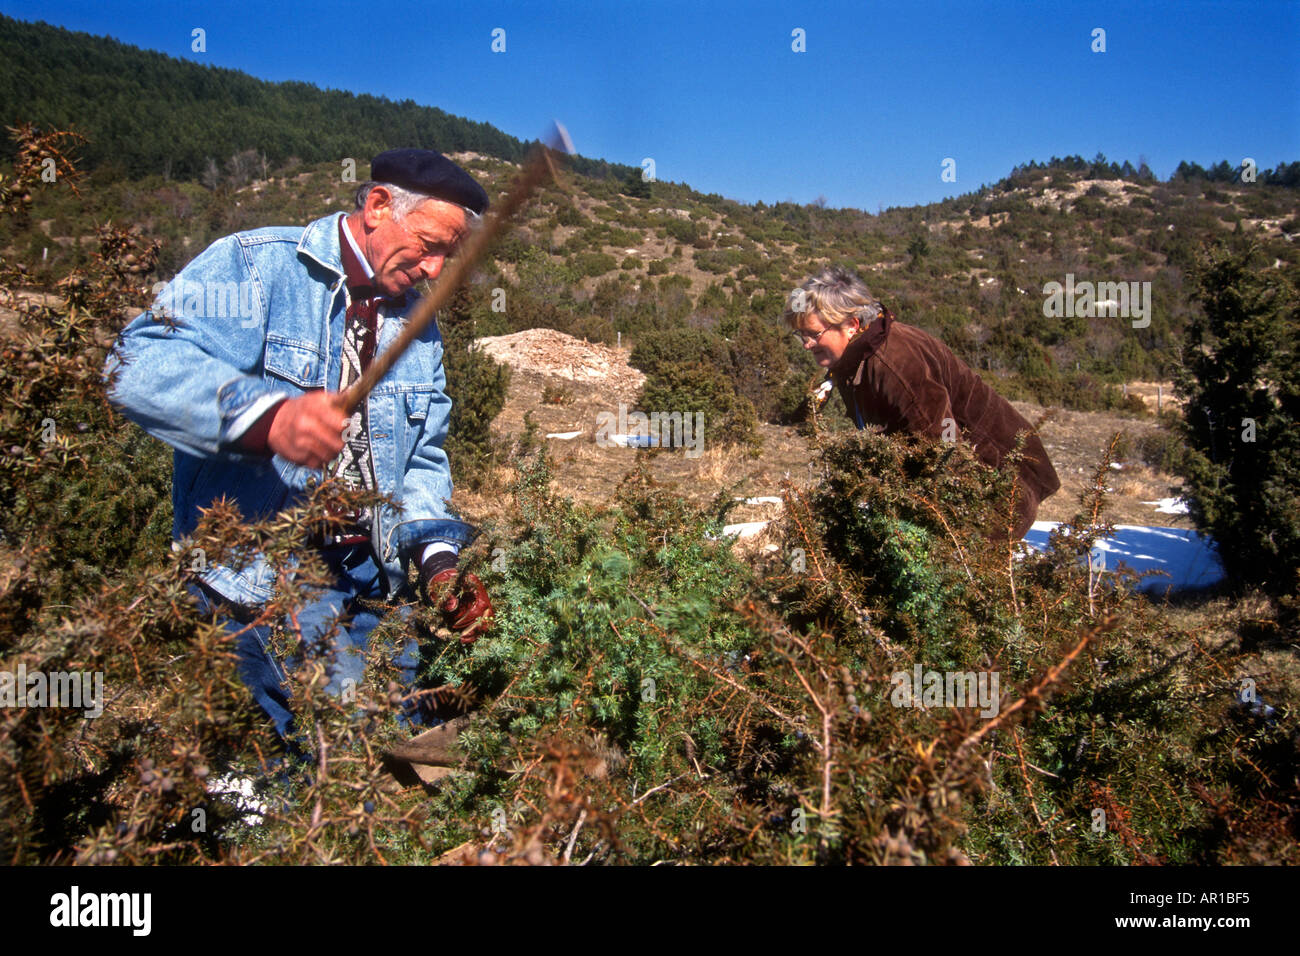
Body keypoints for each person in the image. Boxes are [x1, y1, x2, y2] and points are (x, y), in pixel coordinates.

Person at [104, 148, 495, 740]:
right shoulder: (259, 267)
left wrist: (437, 563)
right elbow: (135, 364)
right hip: (267, 569)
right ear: (378, 205)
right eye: (428, 244)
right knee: (351, 741)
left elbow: (423, 455)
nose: (436, 270)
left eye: (449, 254)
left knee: (412, 720)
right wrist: (269, 418)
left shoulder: (419, 323)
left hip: (369, 571)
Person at [784, 266, 1060, 540]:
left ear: (852, 325)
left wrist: (959, 527)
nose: (807, 344)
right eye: (801, 336)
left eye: (814, 334)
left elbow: (944, 447)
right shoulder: (857, 357)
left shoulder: (892, 365)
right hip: (966, 484)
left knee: (963, 575)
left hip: (996, 481)